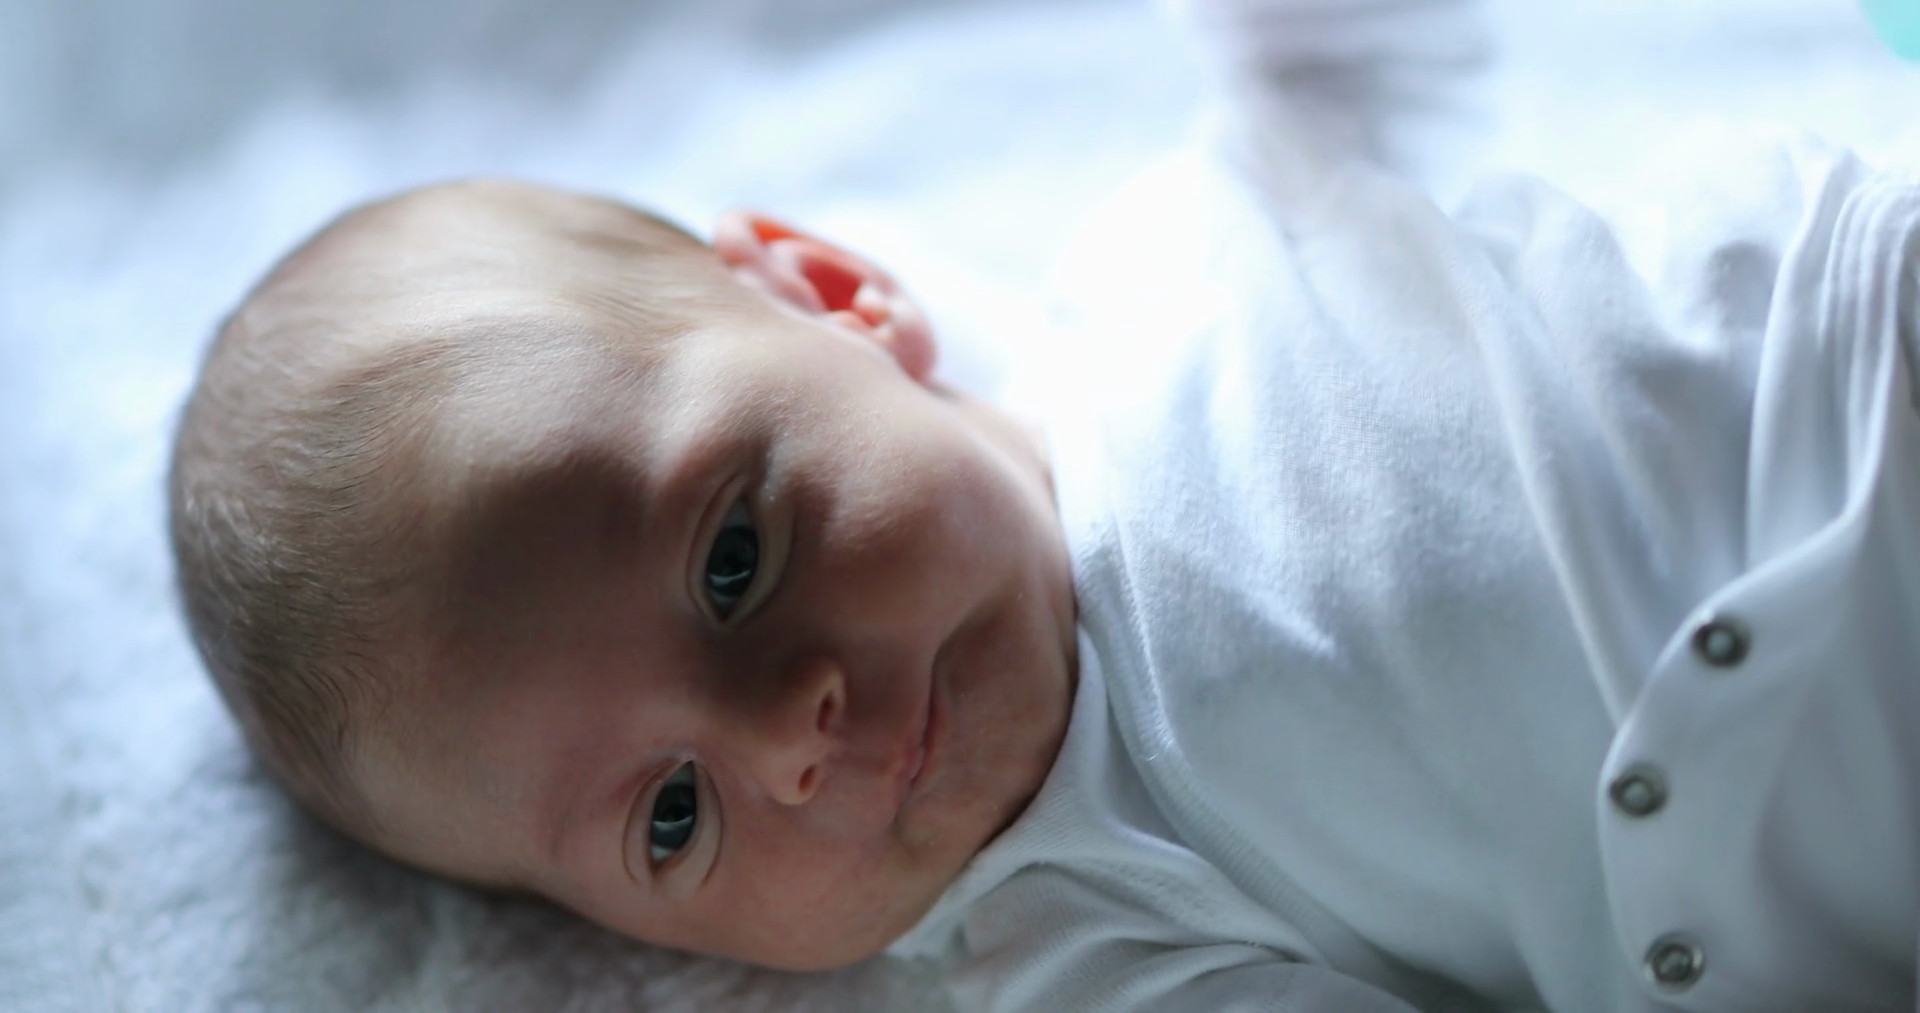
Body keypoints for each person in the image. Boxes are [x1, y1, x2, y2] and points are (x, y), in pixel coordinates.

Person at [168, 0, 1920, 1009]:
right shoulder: (1072, 943)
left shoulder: (1171, 265)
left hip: (1855, 348)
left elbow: (1352, 64)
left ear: (831, 295)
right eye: (675, 820)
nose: (790, 734)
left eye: (729, 559)